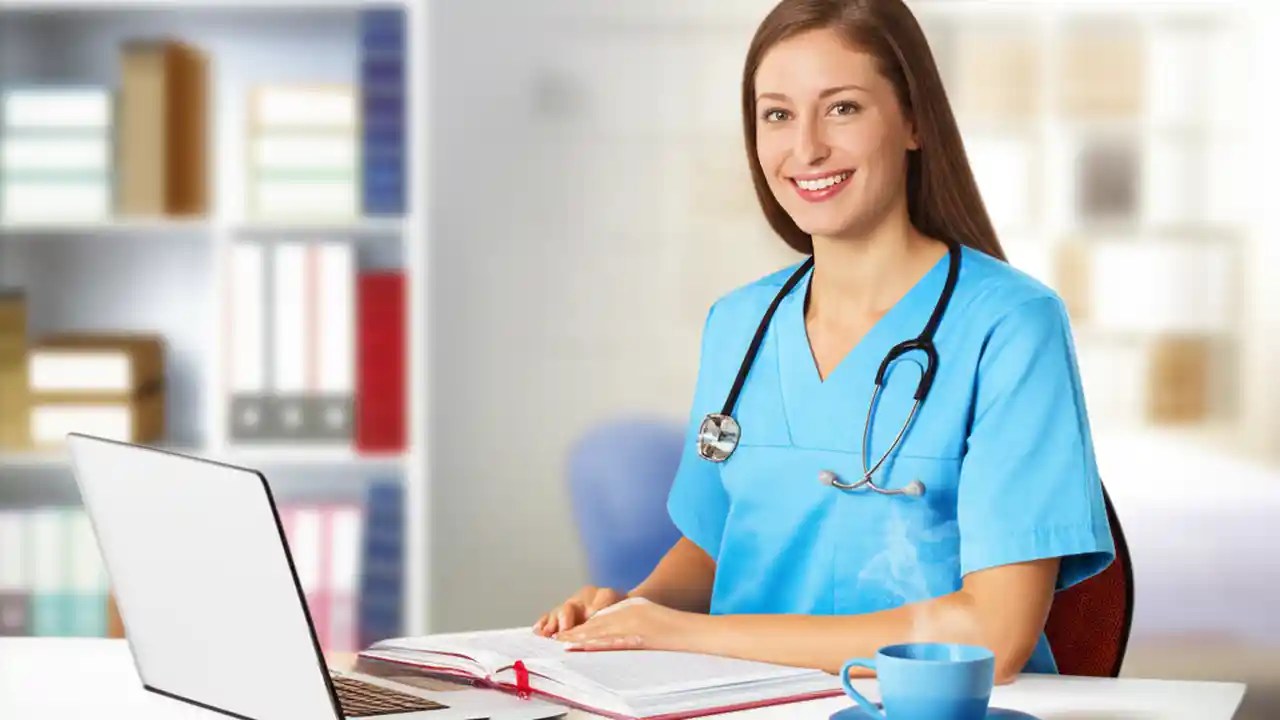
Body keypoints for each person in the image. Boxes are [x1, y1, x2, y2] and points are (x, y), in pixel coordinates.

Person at [536, 0, 1114, 685]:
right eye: (777, 114)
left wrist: (689, 635)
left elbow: (997, 632)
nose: (805, 147)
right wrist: (630, 613)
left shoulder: (1011, 326)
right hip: (741, 702)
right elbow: (714, 547)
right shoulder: (739, 324)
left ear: (914, 121)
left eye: (841, 108)